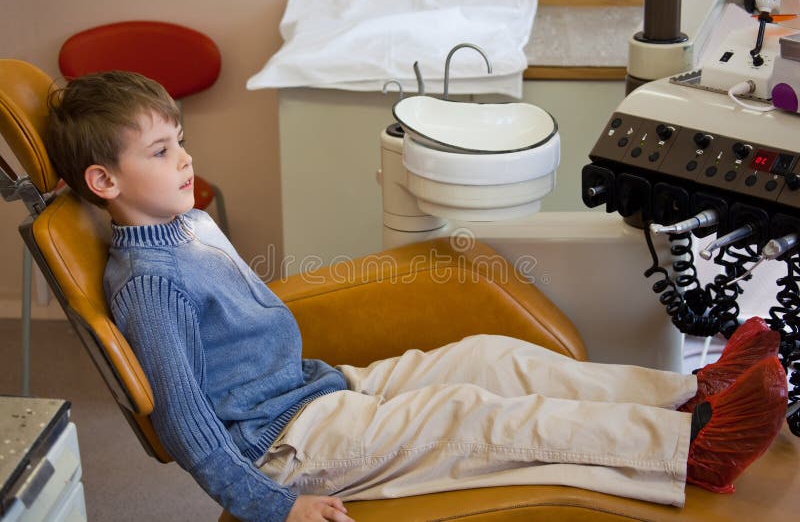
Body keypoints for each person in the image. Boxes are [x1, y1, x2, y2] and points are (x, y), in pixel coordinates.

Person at [45, 71, 788, 522]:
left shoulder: (188, 224)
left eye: (180, 139)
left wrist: (328, 382)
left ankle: (689, 390)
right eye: (160, 150)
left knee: (489, 358)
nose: (186, 157)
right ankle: (689, 450)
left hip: (317, 391)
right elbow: (185, 421)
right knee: (470, 415)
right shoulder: (148, 286)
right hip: (285, 448)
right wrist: (273, 507)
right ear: (103, 183)